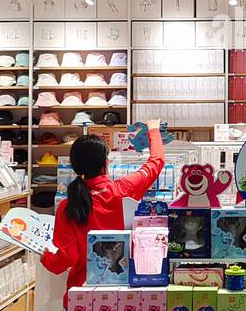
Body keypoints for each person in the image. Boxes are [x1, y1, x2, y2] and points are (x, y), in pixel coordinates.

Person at [41, 120, 165, 295]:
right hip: (122, 288)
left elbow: (67, 258)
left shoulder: (67, 206)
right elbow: (156, 162)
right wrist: (153, 130)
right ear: (105, 163)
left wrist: (45, 257)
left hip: (81, 292)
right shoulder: (123, 189)